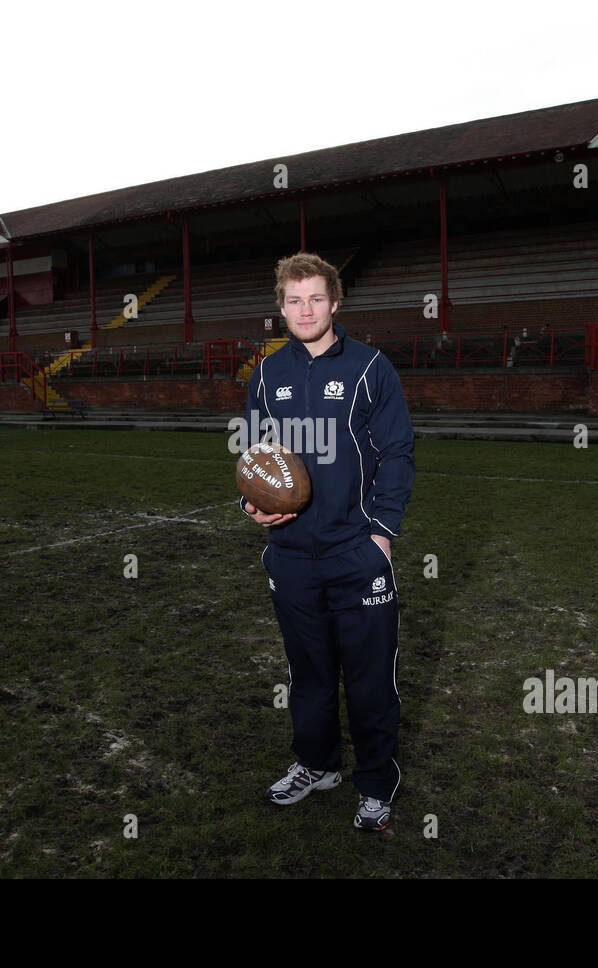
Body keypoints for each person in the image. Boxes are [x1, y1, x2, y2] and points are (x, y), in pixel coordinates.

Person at [240, 252, 415, 831]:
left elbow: (397, 454)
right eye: (294, 300)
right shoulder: (267, 373)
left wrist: (382, 536)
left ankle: (375, 783)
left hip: (356, 554)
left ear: (335, 303)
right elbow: (259, 457)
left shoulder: (370, 367)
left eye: (315, 298)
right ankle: (316, 765)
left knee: (369, 679)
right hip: (290, 556)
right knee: (307, 674)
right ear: (281, 307)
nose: (305, 309)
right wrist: (253, 501)